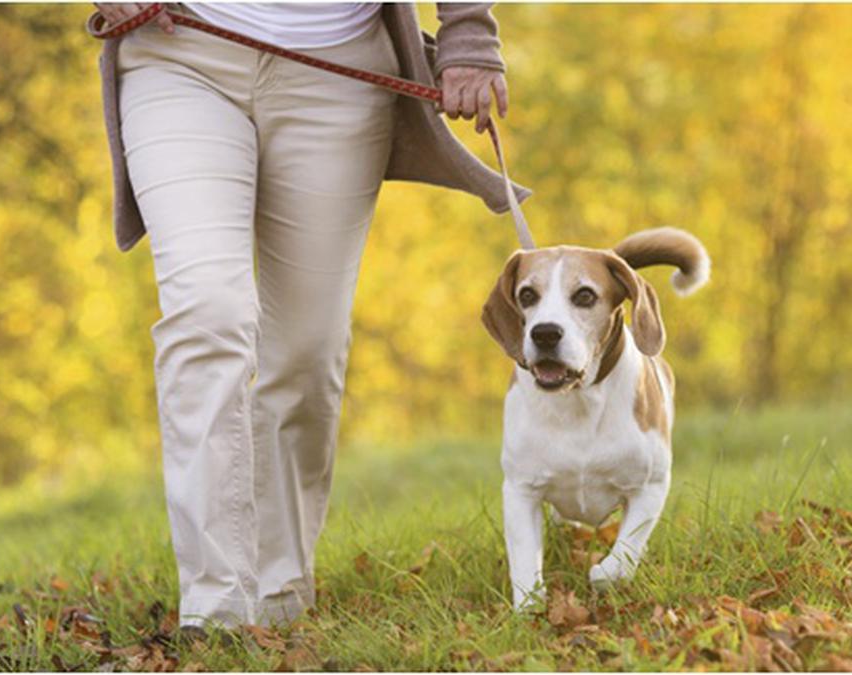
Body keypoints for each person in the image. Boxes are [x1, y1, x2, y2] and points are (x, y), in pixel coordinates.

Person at [92, 1, 530, 631]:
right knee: (206, 312)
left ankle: (277, 592)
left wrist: (468, 36)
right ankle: (215, 604)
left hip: (338, 76)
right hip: (180, 55)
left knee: (306, 349)